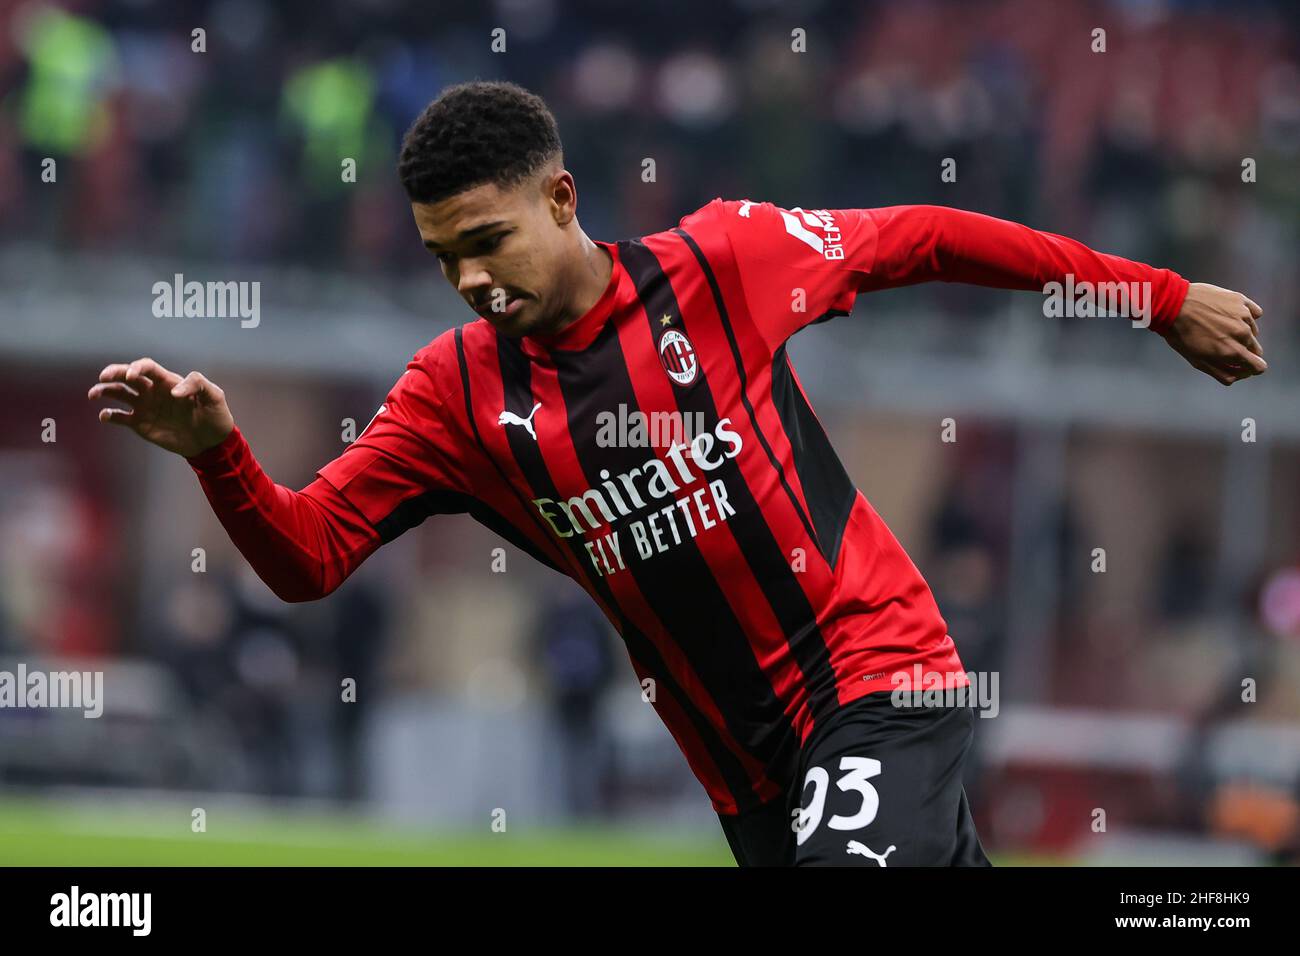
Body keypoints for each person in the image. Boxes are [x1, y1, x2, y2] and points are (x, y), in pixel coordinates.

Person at [88, 80, 1266, 866]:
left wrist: (1152, 297)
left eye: (489, 241)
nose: (470, 280)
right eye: (443, 256)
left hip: (877, 674)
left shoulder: (723, 258)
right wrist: (220, 457)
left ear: (561, 198)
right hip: (748, 774)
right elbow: (308, 556)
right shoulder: (455, 394)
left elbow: (924, 233)